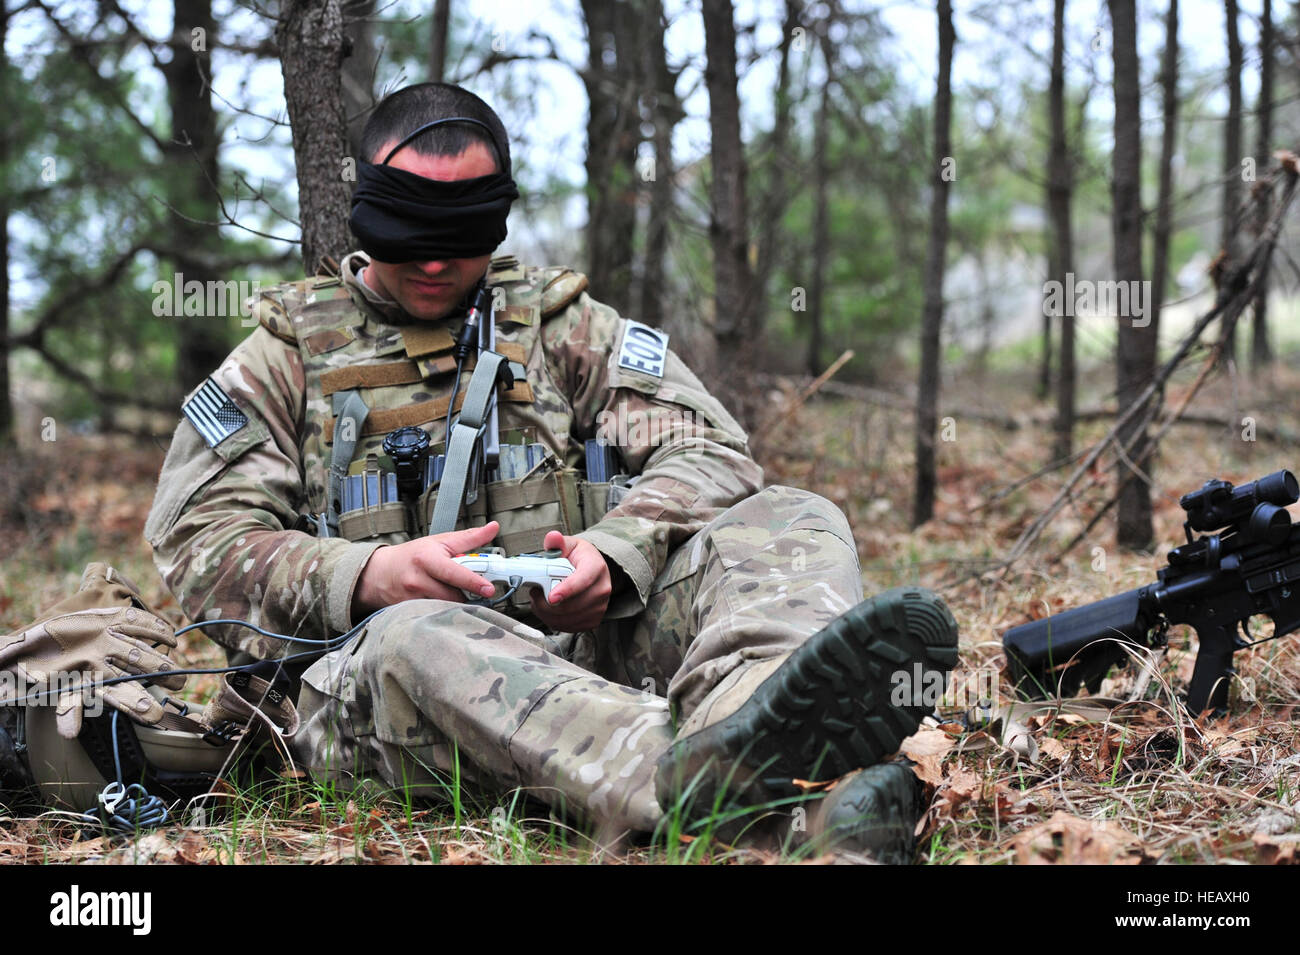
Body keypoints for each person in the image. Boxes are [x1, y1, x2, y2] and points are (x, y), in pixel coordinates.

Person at [144, 83, 959, 860]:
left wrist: (618, 547)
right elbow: (197, 538)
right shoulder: (284, 358)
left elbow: (709, 449)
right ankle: (751, 785)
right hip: (375, 686)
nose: (433, 263)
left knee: (789, 515)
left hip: (577, 650)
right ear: (366, 214)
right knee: (415, 631)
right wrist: (370, 574)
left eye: (459, 235)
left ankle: (774, 736)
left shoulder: (562, 330)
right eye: (406, 234)